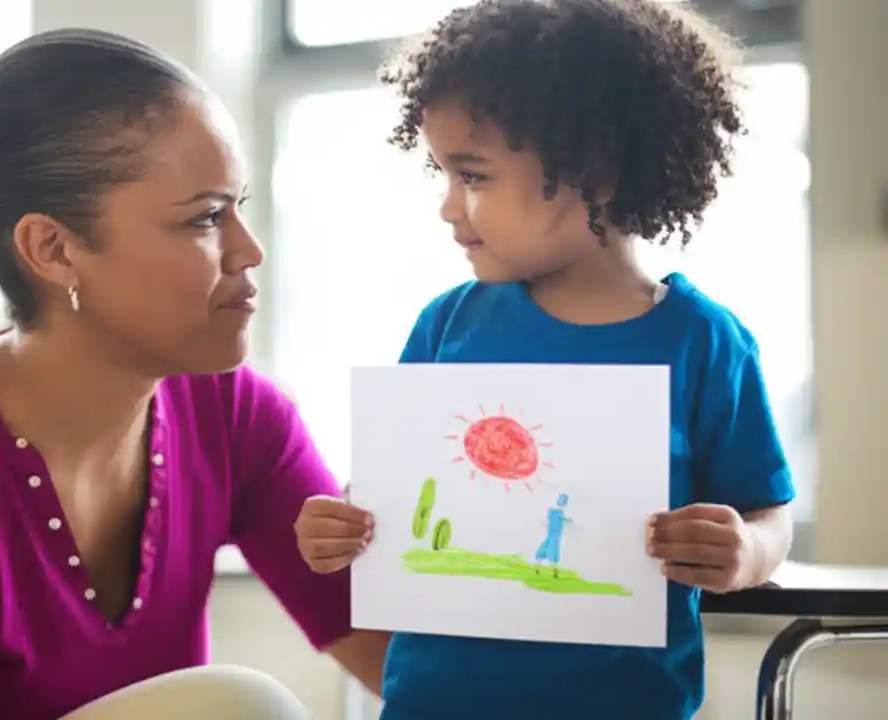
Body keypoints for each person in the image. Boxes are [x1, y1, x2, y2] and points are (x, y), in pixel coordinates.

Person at [0, 28, 388, 719]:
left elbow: (401, 664)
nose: (248, 251)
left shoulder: (235, 416)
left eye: (239, 209)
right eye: (205, 219)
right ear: (52, 249)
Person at [293, 1, 795, 718]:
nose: (446, 207)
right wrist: (342, 523)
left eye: (473, 176)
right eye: (442, 174)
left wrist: (744, 549)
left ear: (596, 172)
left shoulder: (704, 341)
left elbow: (768, 510)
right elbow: (385, 497)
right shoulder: (445, 326)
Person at [534, 492, 571, 577]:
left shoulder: (553, 511)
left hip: (552, 533)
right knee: (552, 552)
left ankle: (539, 569)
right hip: (554, 534)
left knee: (544, 551)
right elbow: (561, 519)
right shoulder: (558, 511)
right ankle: (554, 571)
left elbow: (555, 519)